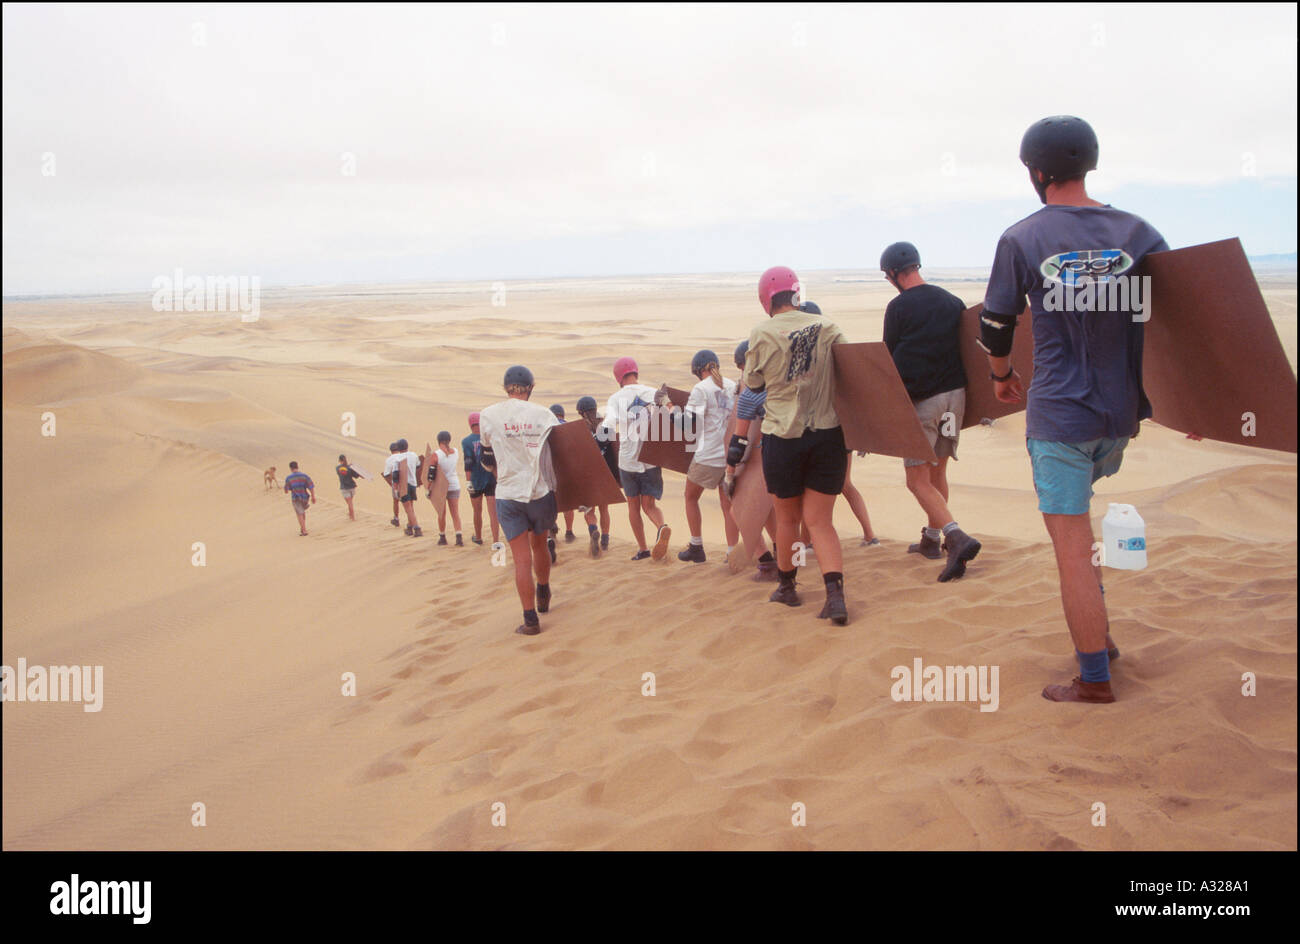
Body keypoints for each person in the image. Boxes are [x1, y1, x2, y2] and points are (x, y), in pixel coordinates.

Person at [980, 115, 1168, 704]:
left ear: (1037, 172)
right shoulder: (1138, 231)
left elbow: (994, 324)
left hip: (1061, 417)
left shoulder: (1022, 238)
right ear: (1088, 163)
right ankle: (1102, 638)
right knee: (1082, 540)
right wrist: (1196, 404)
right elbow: (1182, 315)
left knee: (1071, 548)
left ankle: (1093, 679)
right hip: (1118, 419)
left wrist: (1003, 377)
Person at [731, 266, 849, 623]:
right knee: (820, 522)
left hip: (783, 438)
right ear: (797, 293)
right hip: (829, 436)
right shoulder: (828, 326)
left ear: (766, 299)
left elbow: (751, 383)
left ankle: (788, 586)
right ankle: (835, 596)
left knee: (787, 519)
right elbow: (853, 371)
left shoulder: (761, 332)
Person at [881, 240, 981, 580]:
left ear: (894, 274)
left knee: (916, 480)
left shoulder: (898, 308)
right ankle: (931, 539)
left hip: (925, 405)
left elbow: (889, 360)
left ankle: (955, 535)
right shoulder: (951, 301)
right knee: (938, 472)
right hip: (956, 401)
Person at [478, 365, 561, 636]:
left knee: (521, 559)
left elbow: (487, 458)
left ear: (506, 388)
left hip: (508, 494)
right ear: (531, 388)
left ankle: (530, 620)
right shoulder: (544, 414)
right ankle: (544, 590)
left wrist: (500, 471)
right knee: (540, 545)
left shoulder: (488, 415)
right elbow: (563, 450)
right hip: (539, 492)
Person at [659, 349, 739, 563]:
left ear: (697, 371)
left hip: (709, 455)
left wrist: (668, 405)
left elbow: (685, 424)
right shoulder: (732, 385)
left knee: (690, 496)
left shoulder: (700, 389)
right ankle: (732, 552)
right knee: (727, 504)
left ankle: (696, 546)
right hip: (731, 456)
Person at [603, 356, 672, 561]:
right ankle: (662, 527)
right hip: (651, 458)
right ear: (636, 373)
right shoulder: (653, 393)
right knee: (649, 505)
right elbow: (670, 416)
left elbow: (608, 424)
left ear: (618, 378)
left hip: (628, 460)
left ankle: (642, 549)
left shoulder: (615, 399)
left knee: (633, 506)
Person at [727, 340, 782, 581]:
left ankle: (767, 563)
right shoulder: (782, 382)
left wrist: (730, 472)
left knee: (736, 511)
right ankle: (790, 561)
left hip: (763, 457)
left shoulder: (749, 393)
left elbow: (738, 440)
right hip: (794, 455)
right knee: (782, 514)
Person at [576, 395, 615, 557]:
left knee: (588, 510)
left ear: (581, 413)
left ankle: (593, 530)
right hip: (604, 473)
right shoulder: (605, 426)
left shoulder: (579, 429)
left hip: (587, 475)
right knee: (604, 508)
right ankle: (605, 539)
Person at [463, 413, 501, 547]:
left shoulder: (466, 441)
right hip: (491, 479)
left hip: (475, 480)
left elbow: (468, 462)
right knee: (493, 513)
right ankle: (496, 541)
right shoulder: (489, 438)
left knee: (477, 511)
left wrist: (468, 482)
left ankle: (478, 537)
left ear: (470, 424)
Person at [549, 404, 577, 548]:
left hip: (550, 470)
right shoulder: (570, 427)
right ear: (562, 414)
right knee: (568, 504)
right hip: (567, 470)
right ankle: (569, 531)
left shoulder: (547, 427)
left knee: (551, 502)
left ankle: (552, 527)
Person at [433, 431, 464, 546]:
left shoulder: (436, 454)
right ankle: (459, 537)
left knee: (441, 513)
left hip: (441, 487)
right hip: (454, 484)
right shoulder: (455, 452)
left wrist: (429, 488)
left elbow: (431, 474)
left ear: (438, 441)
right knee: (455, 513)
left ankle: (442, 537)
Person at [393, 438, 423, 537]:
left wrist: (396, 489)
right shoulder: (413, 455)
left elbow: (395, 475)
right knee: (411, 507)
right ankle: (409, 528)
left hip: (404, 485)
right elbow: (419, 466)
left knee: (408, 509)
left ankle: (417, 528)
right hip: (413, 484)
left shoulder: (397, 458)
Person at [282, 461, 316, 536]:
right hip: (305, 497)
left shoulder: (289, 478)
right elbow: (311, 486)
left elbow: (286, 490)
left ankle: (304, 530)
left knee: (299, 513)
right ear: (297, 466)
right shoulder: (304, 476)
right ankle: (303, 527)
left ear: (290, 468)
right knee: (302, 512)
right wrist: (313, 496)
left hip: (296, 497)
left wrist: (286, 489)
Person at [336, 454, 363, 521]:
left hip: (344, 488)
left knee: (349, 503)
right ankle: (350, 514)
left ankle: (352, 517)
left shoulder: (337, 468)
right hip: (352, 487)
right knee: (350, 503)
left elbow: (341, 471)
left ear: (339, 460)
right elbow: (357, 476)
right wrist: (352, 467)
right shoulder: (350, 468)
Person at [382, 442, 402, 527]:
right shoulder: (404, 456)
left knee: (396, 501)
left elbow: (386, 475)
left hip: (396, 483)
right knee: (408, 503)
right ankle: (411, 522)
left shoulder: (389, 460)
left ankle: (396, 519)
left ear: (391, 451)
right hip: (407, 482)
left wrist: (393, 485)